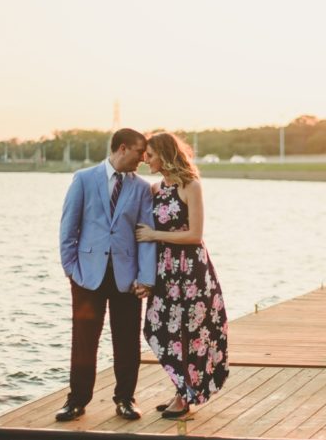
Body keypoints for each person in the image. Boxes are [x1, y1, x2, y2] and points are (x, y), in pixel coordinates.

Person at [56, 128, 156, 421]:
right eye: (139, 152)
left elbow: (145, 236)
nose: (143, 158)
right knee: (84, 339)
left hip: (127, 278)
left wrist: (146, 277)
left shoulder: (141, 188)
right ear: (122, 148)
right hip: (87, 277)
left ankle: (125, 399)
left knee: (127, 341)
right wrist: (71, 270)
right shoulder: (84, 179)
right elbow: (68, 228)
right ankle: (76, 400)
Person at [135, 132, 229, 419]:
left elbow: (195, 235)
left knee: (190, 331)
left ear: (164, 154)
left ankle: (185, 395)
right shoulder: (156, 189)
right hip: (166, 271)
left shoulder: (191, 186)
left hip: (191, 270)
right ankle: (182, 388)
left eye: (150, 155)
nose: (145, 160)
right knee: (158, 328)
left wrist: (153, 234)